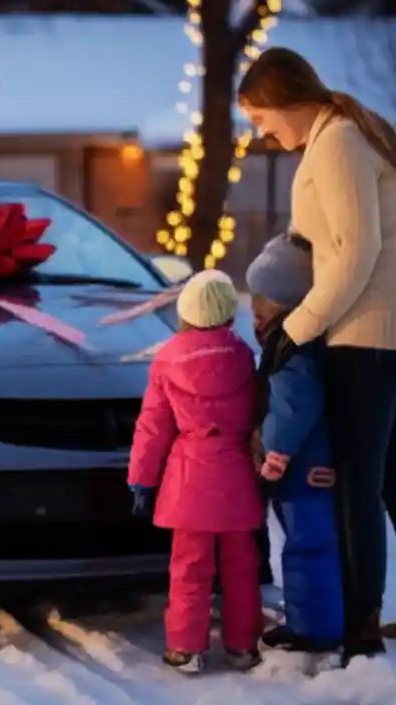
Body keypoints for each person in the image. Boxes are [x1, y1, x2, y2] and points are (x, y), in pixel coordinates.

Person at [237, 47, 396, 663]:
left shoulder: (337, 143)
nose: (262, 132)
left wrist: (295, 329)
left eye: (258, 117)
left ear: (283, 101)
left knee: (358, 486)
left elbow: (355, 254)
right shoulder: (360, 132)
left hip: (373, 335)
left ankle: (360, 631)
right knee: (392, 476)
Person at [127, 270, 264, 675]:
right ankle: (242, 646)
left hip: (189, 478)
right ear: (228, 316)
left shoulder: (168, 359)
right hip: (237, 474)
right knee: (242, 567)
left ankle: (186, 648)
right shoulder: (243, 356)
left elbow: (153, 425)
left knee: (189, 567)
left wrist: (142, 478)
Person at [247, 234, 344, 657]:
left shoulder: (293, 350)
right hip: (313, 459)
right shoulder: (308, 338)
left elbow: (291, 408)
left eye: (259, 309)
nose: (253, 320)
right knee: (314, 542)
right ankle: (317, 619)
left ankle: (314, 629)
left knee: (308, 544)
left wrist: (272, 451)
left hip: (304, 464)